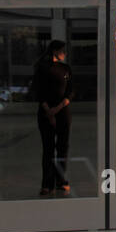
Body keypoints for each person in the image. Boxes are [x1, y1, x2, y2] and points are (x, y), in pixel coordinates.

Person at [31, 40, 73, 196]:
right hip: (46, 112)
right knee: (48, 149)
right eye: (63, 51)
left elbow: (70, 91)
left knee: (62, 147)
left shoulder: (66, 69)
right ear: (56, 51)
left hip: (62, 112)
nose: (65, 54)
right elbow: (38, 91)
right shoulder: (42, 68)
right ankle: (47, 183)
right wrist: (49, 111)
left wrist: (58, 108)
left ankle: (61, 180)